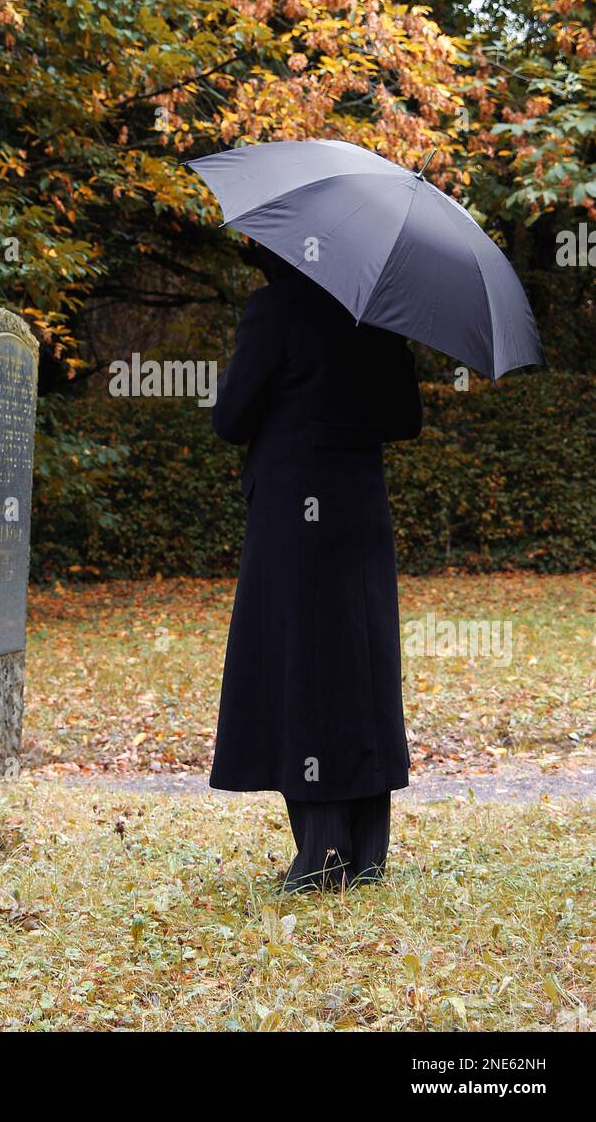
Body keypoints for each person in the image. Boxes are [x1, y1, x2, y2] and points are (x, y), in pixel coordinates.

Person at [210, 244, 423, 891]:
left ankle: (322, 854)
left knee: (303, 670)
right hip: (359, 515)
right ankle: (366, 853)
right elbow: (406, 419)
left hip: (293, 520)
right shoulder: (377, 315)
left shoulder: (274, 310)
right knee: (358, 670)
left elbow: (229, 419)